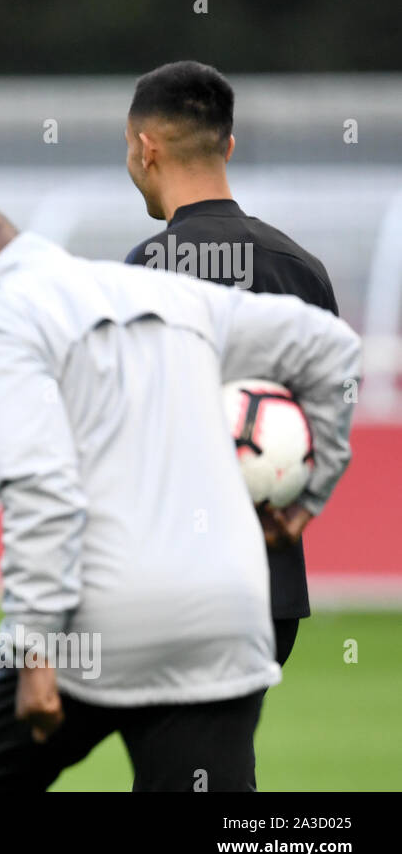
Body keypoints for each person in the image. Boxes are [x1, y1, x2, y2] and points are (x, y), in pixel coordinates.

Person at [0, 202, 360, 791]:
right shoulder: (169, 293)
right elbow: (332, 348)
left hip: (95, 624)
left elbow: (43, 492)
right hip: (225, 619)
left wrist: (35, 645)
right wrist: (309, 494)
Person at [123, 60, 339, 667]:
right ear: (229, 145)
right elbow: (328, 420)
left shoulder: (141, 274)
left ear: (146, 148)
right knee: (221, 755)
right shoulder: (301, 269)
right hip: (272, 586)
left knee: (178, 759)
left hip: (175, 582)